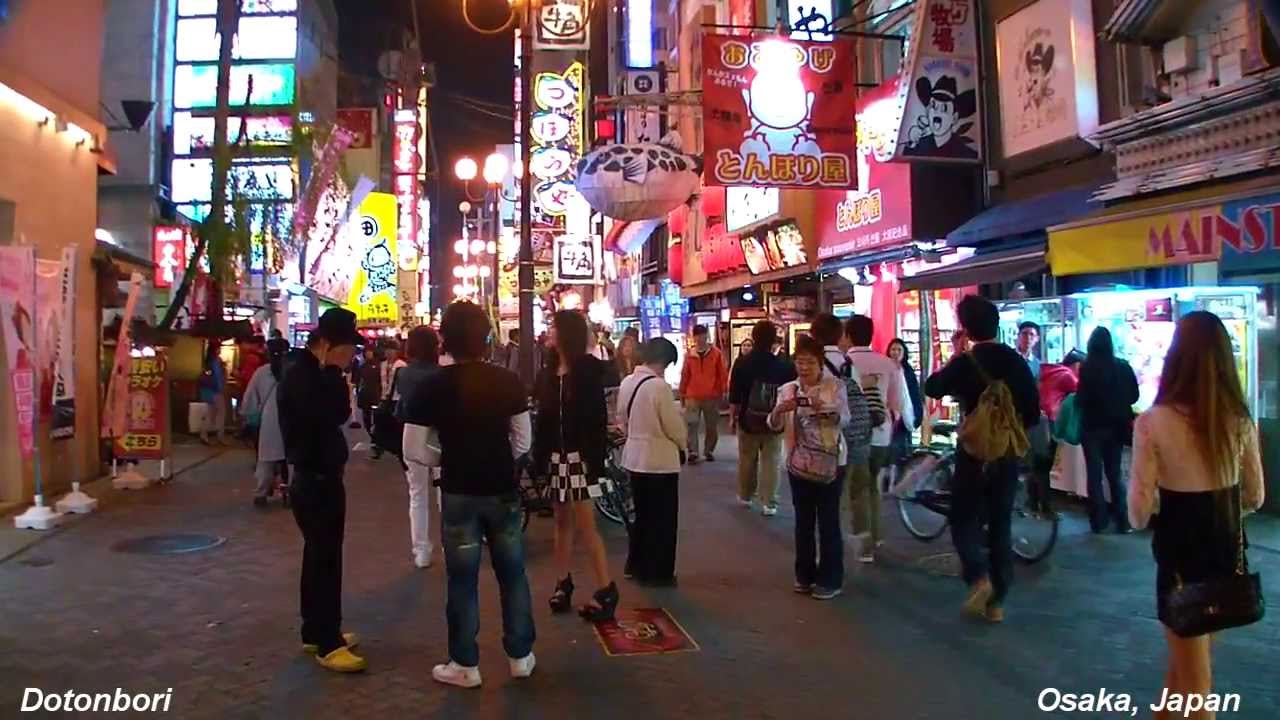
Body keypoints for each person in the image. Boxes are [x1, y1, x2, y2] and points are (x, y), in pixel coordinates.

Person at [1129, 312, 1265, 719]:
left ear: (1175, 358)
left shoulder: (1153, 423)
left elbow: (1137, 512)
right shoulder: (1238, 420)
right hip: (1225, 551)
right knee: (1187, 664)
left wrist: (1163, 504)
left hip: (1179, 558)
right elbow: (1255, 496)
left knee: (1195, 683)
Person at [400, 302, 535, 688]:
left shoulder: (432, 385)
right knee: (513, 573)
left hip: (458, 491)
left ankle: (465, 663)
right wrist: (495, 456)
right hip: (502, 490)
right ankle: (520, 655)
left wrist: (447, 459)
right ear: (486, 338)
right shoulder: (508, 381)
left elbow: (413, 447)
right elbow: (523, 439)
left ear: (446, 339)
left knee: (462, 579)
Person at [924, 295, 1039, 623]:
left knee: (963, 518)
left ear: (966, 328)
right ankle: (997, 603)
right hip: (1006, 453)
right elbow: (1032, 410)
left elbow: (933, 387)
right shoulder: (1016, 361)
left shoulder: (966, 362)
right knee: (1001, 524)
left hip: (973, 452)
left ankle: (978, 577)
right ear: (997, 324)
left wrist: (956, 356)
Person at [277, 308, 365, 673]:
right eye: (346, 350)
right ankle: (327, 642)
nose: (349, 358)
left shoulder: (308, 372)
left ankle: (317, 630)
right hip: (314, 480)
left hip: (320, 478)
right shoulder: (306, 376)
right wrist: (333, 373)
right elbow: (336, 413)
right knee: (324, 559)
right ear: (327, 343)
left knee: (321, 557)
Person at [535, 310, 618, 621]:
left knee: (585, 524)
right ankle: (563, 582)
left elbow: (595, 419)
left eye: (554, 327)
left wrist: (592, 459)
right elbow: (544, 419)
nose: (549, 332)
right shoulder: (549, 371)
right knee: (561, 522)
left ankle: (605, 588)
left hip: (579, 456)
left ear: (566, 333)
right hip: (556, 456)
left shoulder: (585, 370)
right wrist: (540, 457)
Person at [769, 335, 851, 600]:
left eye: (810, 362)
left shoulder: (835, 386)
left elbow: (845, 419)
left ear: (820, 363)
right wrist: (780, 410)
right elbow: (774, 425)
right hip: (798, 463)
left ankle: (830, 579)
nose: (804, 368)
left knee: (828, 521)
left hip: (831, 463)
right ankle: (804, 576)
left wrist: (823, 408)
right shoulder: (788, 389)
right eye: (800, 362)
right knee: (803, 522)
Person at [618, 338, 687, 586]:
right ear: (664, 361)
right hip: (659, 460)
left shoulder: (627, 382)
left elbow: (621, 418)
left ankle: (636, 565)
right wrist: (683, 445)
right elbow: (673, 427)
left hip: (634, 457)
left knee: (642, 516)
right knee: (663, 520)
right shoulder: (658, 387)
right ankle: (659, 572)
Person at [845, 315, 913, 563]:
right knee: (873, 485)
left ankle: (862, 544)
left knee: (855, 489)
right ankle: (876, 535)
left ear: (848, 336)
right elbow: (897, 404)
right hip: (882, 435)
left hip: (854, 435)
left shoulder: (846, 363)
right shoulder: (889, 365)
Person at [728, 321, 797, 515]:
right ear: (772, 340)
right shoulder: (783, 365)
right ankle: (769, 502)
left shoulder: (743, 362)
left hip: (747, 419)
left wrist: (733, 417)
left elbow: (735, 394)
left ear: (754, 338)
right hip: (774, 420)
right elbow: (791, 393)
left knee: (747, 458)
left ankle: (745, 495)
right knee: (771, 460)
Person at [1076, 327, 1140, 534]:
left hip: (1092, 428)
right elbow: (1134, 396)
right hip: (1116, 428)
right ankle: (1123, 520)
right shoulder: (1123, 367)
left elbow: (1081, 399)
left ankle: (1098, 522)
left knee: (1094, 476)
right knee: (1115, 474)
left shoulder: (1086, 368)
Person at [396, 326, 443, 569]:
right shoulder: (441, 374)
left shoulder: (404, 374)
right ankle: (449, 542)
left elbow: (399, 407)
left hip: (411, 433)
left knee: (417, 493)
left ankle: (421, 550)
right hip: (439, 434)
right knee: (443, 492)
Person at [240, 338, 290, 507]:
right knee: (289, 459)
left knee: (265, 458)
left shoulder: (262, 372)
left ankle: (261, 492)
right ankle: (288, 490)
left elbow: (250, 397)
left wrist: (246, 414)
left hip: (268, 421)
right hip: (291, 420)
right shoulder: (293, 371)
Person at [679, 324, 728, 464]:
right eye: (697, 335)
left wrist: (723, 390)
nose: (700, 338)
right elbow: (685, 375)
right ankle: (693, 451)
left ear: (707, 335)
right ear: (693, 337)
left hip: (712, 396)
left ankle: (709, 450)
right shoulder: (689, 355)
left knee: (711, 426)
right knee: (691, 424)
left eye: (702, 335)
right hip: (692, 395)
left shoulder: (716, 353)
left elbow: (722, 374)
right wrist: (682, 392)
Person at [886, 338, 924, 464]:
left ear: (904, 353)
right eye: (893, 349)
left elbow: (915, 395)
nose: (895, 352)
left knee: (904, 453)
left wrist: (918, 417)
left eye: (899, 349)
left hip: (905, 419)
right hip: (889, 418)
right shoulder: (884, 370)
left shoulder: (908, 372)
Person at [197, 343, 227, 445]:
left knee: (210, 413)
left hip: (208, 391)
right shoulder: (216, 362)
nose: (220, 350)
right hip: (216, 391)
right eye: (219, 348)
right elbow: (218, 378)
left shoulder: (208, 362)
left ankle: (204, 435)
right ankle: (220, 436)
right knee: (220, 413)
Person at [355, 348, 383, 457]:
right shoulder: (362, 366)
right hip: (365, 395)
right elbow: (357, 381)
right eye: (366, 352)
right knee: (366, 419)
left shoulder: (379, 365)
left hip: (376, 395)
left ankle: (377, 443)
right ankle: (373, 438)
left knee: (376, 419)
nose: (368, 354)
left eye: (370, 351)